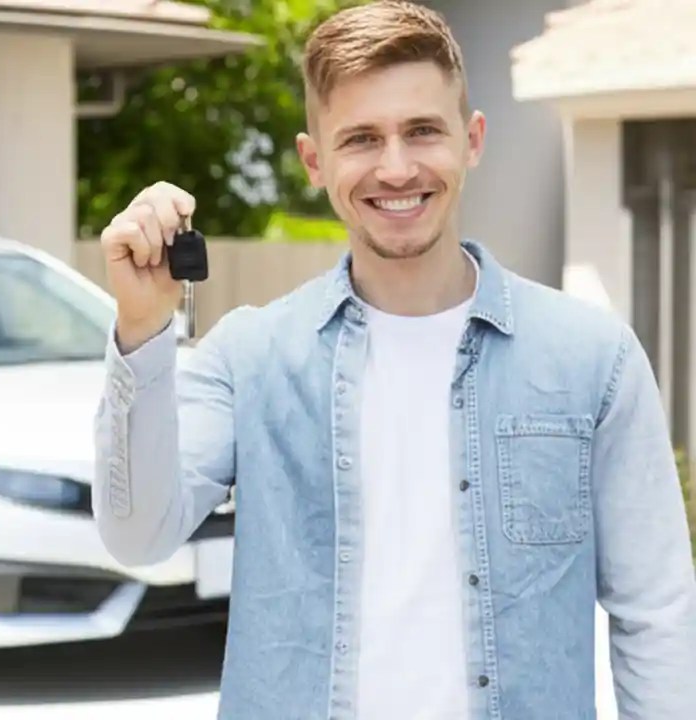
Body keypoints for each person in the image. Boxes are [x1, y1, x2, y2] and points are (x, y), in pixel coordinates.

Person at [91, 2, 696, 719]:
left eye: (422, 131)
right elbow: (136, 534)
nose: (397, 167)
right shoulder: (250, 358)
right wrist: (141, 327)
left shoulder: (592, 358)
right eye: (361, 139)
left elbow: (656, 610)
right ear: (315, 161)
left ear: (471, 140)